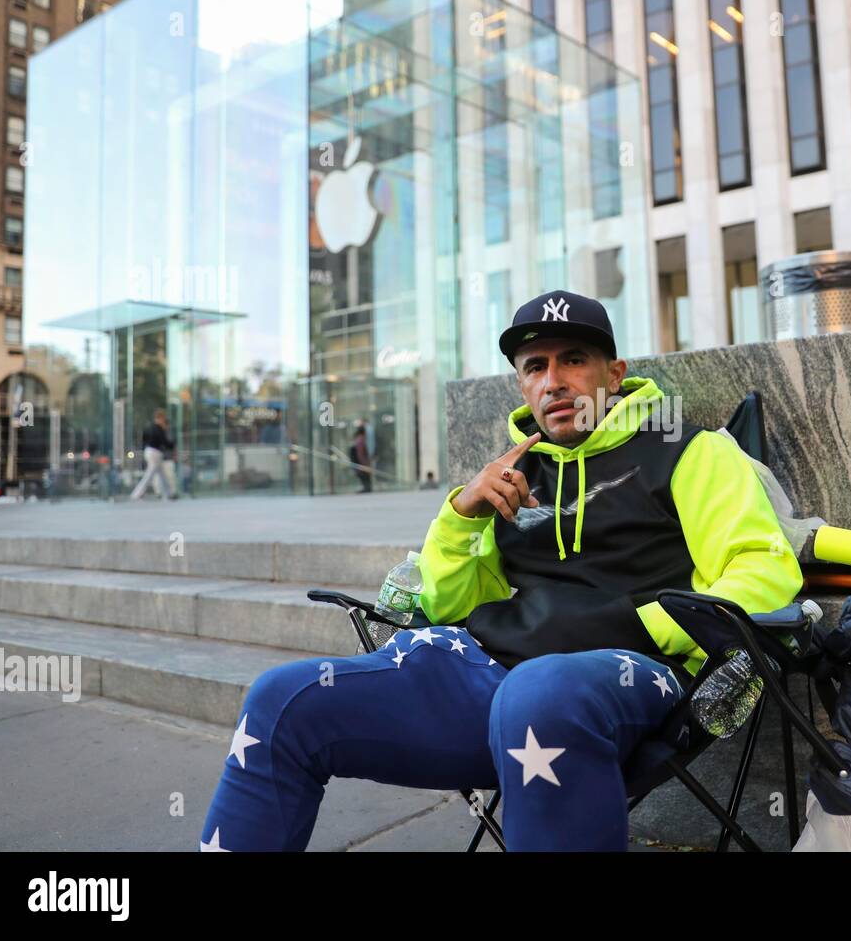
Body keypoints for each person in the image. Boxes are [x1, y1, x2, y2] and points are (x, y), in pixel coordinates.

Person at [199, 290, 802, 851]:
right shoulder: (513, 476)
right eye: (535, 367)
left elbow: (762, 572)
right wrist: (463, 513)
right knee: (281, 699)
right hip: (482, 670)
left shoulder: (690, 452)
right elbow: (446, 602)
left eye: (574, 360)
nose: (555, 381)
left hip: (624, 675)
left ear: (614, 375)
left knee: (538, 693)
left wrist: (645, 625)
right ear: (521, 386)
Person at [130, 409, 177, 501]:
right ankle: (137, 494)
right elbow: (164, 442)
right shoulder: (158, 428)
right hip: (154, 453)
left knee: (162, 474)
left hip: (151, 452)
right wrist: (172, 443)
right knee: (150, 475)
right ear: (160, 418)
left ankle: (169, 493)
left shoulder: (151, 427)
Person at [349, 423, 372, 493]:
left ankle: (366, 488)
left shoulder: (357, 439)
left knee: (364, 477)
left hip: (358, 461)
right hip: (360, 462)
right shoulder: (360, 440)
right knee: (365, 477)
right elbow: (360, 453)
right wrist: (365, 463)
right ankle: (366, 488)